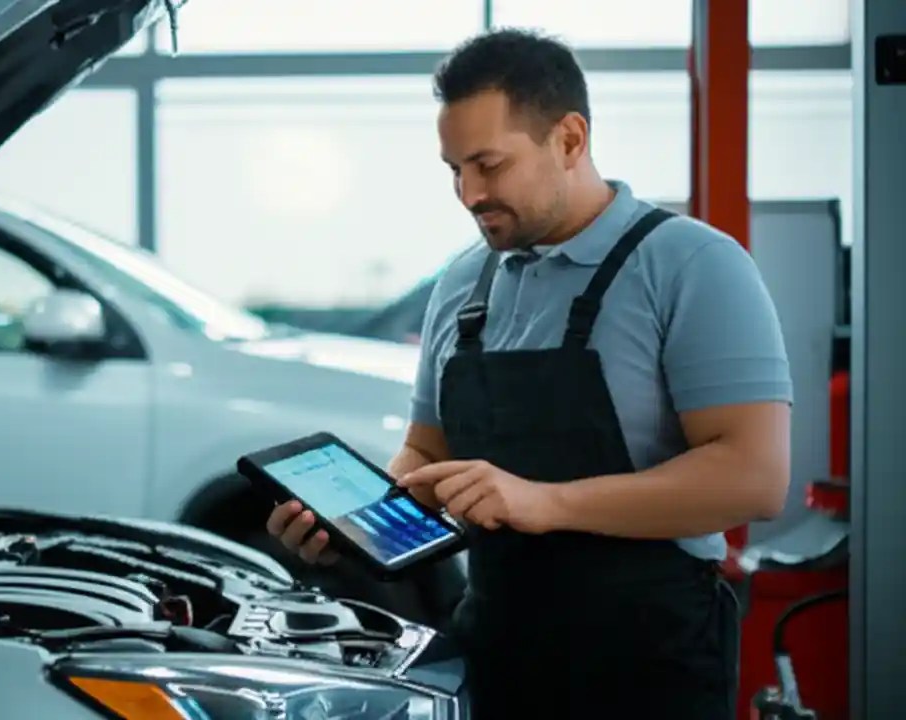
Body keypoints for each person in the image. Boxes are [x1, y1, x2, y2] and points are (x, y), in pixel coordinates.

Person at [265, 28, 792, 719]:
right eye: (454, 170)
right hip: (495, 650)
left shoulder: (694, 266)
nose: (468, 194)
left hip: (647, 662)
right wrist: (360, 526)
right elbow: (426, 450)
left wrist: (544, 502)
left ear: (569, 140)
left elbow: (753, 478)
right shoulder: (462, 282)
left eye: (489, 165)